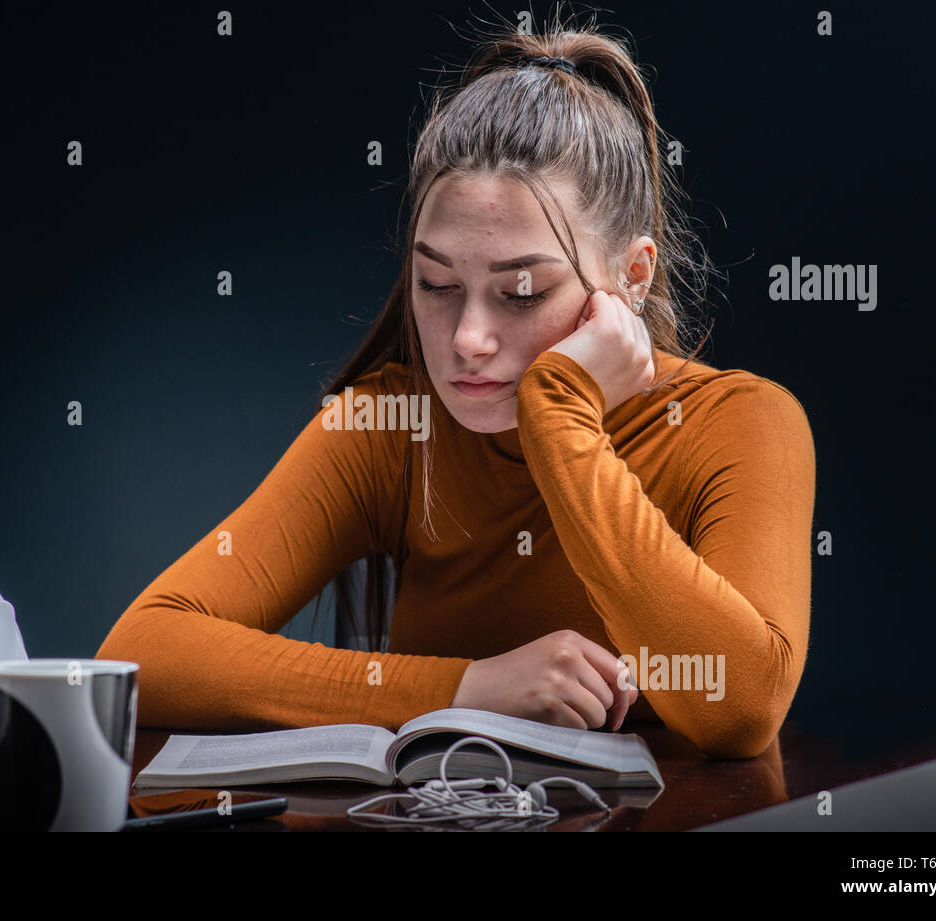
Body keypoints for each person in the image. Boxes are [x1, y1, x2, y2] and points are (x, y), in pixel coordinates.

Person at [97, 14, 816, 759]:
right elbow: (143, 649)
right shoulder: (394, 425)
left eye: (523, 291)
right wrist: (466, 688)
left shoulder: (741, 422)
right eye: (437, 283)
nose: (468, 338)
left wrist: (561, 413)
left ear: (631, 277)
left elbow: (740, 707)